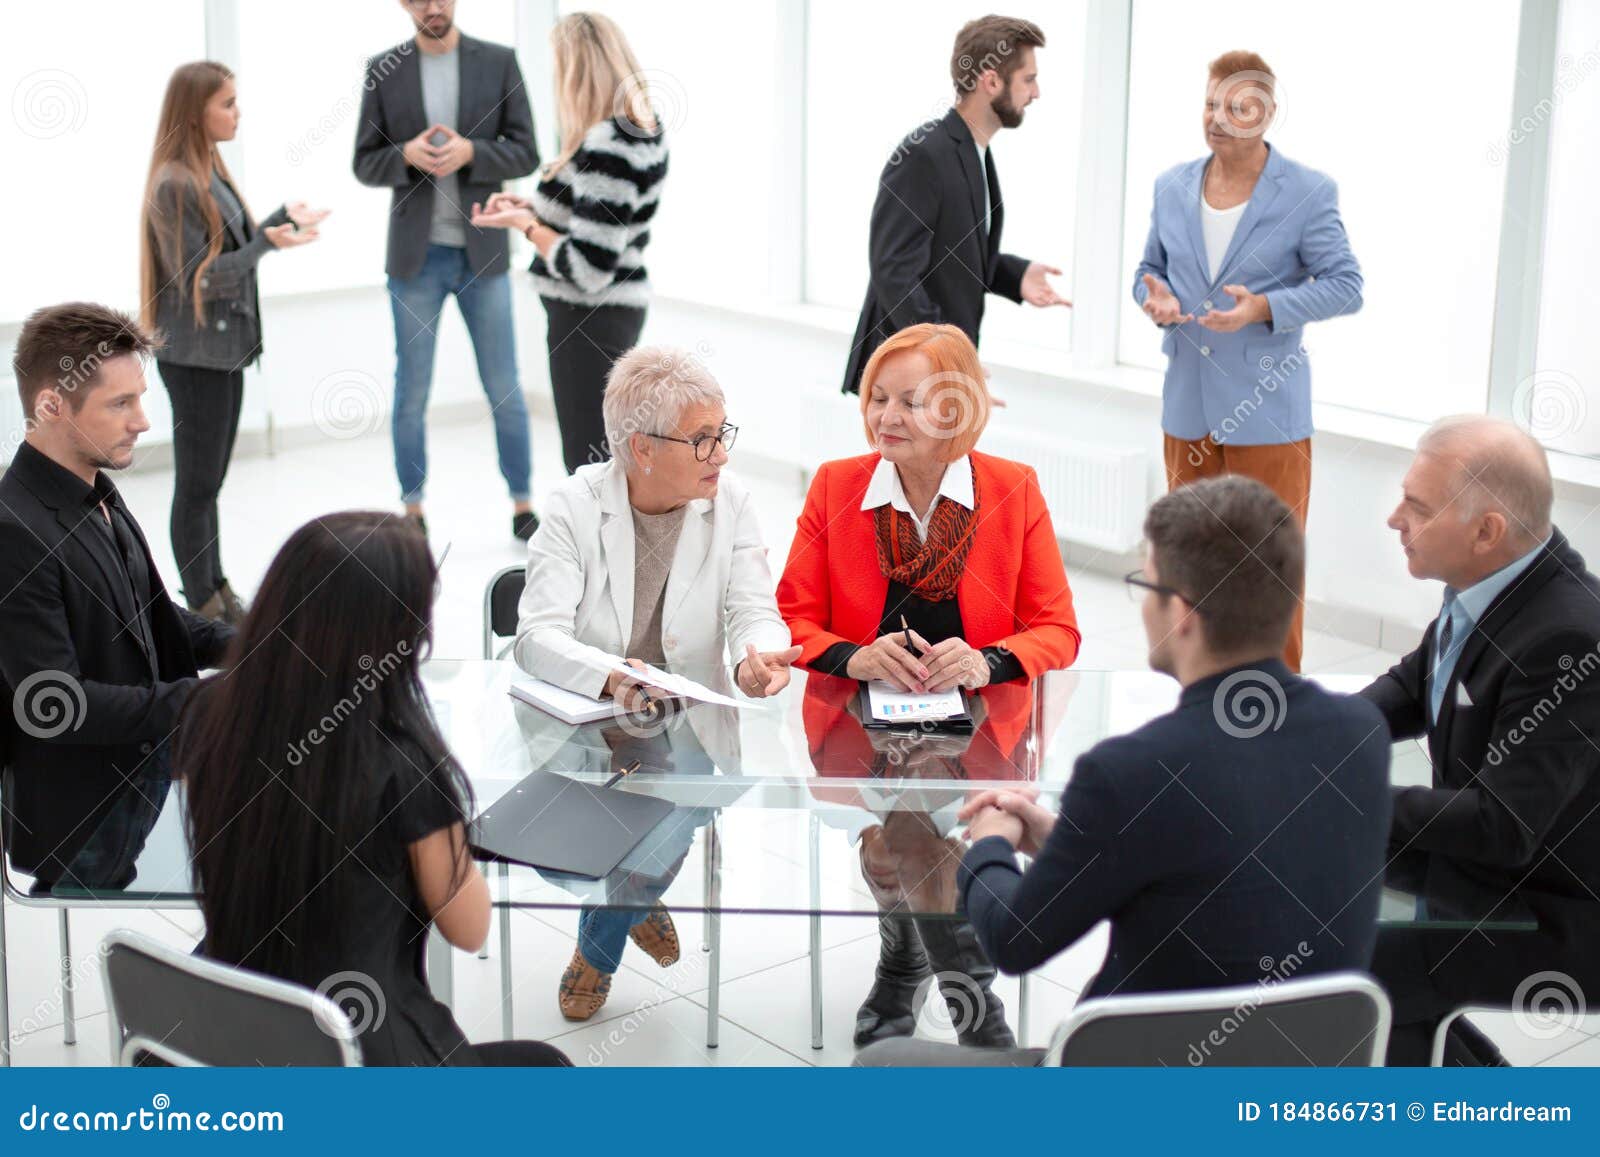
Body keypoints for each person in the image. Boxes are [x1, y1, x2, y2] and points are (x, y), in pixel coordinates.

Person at [860, 476, 1393, 1066]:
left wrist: (989, 846)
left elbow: (1015, 941)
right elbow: (1217, 856)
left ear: (1183, 614)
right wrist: (1069, 838)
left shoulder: (1129, 771)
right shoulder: (1361, 733)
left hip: (1131, 1089)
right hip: (1298, 1086)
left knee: (879, 1064)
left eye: (1146, 584)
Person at [778, 322, 1080, 1049]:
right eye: (878, 397)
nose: (886, 416)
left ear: (956, 410)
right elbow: (794, 616)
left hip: (981, 728)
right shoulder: (837, 485)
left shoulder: (1012, 490)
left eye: (910, 401)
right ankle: (970, 994)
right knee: (908, 837)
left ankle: (903, 958)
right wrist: (855, 656)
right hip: (860, 724)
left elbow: (1057, 628)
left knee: (896, 848)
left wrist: (987, 661)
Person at [178, 511, 570, 1067]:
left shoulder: (212, 721)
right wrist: (449, 829)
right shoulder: (407, 768)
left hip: (245, 1039)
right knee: (546, 1067)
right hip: (365, 1052)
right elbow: (470, 927)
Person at [514, 345, 798, 1019]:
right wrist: (612, 676)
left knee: (680, 806)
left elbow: (753, 607)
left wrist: (758, 654)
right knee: (562, 860)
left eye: (723, 433)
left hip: (686, 728)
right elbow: (535, 637)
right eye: (703, 440)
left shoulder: (732, 502)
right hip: (588, 724)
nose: (721, 454)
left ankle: (599, 946)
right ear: (641, 448)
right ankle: (635, 893)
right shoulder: (572, 507)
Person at [1360, 416, 1600, 1066]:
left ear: (1486, 531)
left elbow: (1503, 825)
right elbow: (1411, 689)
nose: (1394, 519)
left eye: (1415, 506)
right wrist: (1307, 745)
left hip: (1558, 908)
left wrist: (1355, 799)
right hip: (1489, 865)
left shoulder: (1570, 640)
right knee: (1314, 886)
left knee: (1369, 957)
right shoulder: (1492, 586)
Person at [1133, 51, 1362, 672]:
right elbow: (1149, 271)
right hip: (1188, 406)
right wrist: (1152, 294)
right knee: (1188, 562)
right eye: (1210, 103)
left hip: (1268, 410)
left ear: (1265, 114)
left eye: (1235, 107)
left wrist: (1264, 305)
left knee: (1269, 567)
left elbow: (1346, 285)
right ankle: (1196, 696)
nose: (1218, 118)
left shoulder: (1308, 192)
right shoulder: (1172, 185)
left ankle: (1276, 702)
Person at [0, 303, 233, 892]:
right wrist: (207, 700)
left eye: (140, 399)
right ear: (51, 404)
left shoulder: (95, 489)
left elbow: (153, 617)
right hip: (89, 822)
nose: (143, 422)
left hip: (144, 777)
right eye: (120, 404)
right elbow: (56, 705)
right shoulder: (13, 531)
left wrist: (266, 643)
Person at [139, 60, 327, 623]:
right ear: (195, 114)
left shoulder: (206, 172)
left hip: (221, 353)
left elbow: (225, 246)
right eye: (227, 103)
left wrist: (272, 224)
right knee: (198, 484)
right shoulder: (174, 182)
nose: (237, 113)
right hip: (195, 358)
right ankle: (201, 603)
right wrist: (267, 245)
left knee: (208, 483)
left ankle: (215, 588)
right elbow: (206, 274)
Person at [354, 0, 540, 540]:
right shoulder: (383, 69)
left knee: (504, 385)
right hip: (417, 258)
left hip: (484, 253)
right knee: (412, 390)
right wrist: (406, 155)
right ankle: (412, 510)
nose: (433, 7)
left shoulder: (500, 60)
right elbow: (365, 162)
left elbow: (527, 151)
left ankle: (522, 504)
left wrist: (472, 154)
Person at [471, 11, 669, 474]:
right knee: (603, 460)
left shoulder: (607, 144)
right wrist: (531, 211)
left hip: (589, 320)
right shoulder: (639, 128)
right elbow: (596, 219)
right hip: (607, 317)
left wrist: (528, 228)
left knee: (588, 465)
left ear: (577, 69)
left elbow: (589, 267)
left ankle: (596, 550)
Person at [841, 15, 1070, 396]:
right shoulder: (924, 154)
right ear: (992, 81)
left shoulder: (973, 152)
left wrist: (1015, 275)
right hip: (906, 380)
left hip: (936, 375)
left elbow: (953, 254)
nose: (1036, 93)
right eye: (1028, 79)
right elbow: (894, 272)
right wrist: (948, 364)